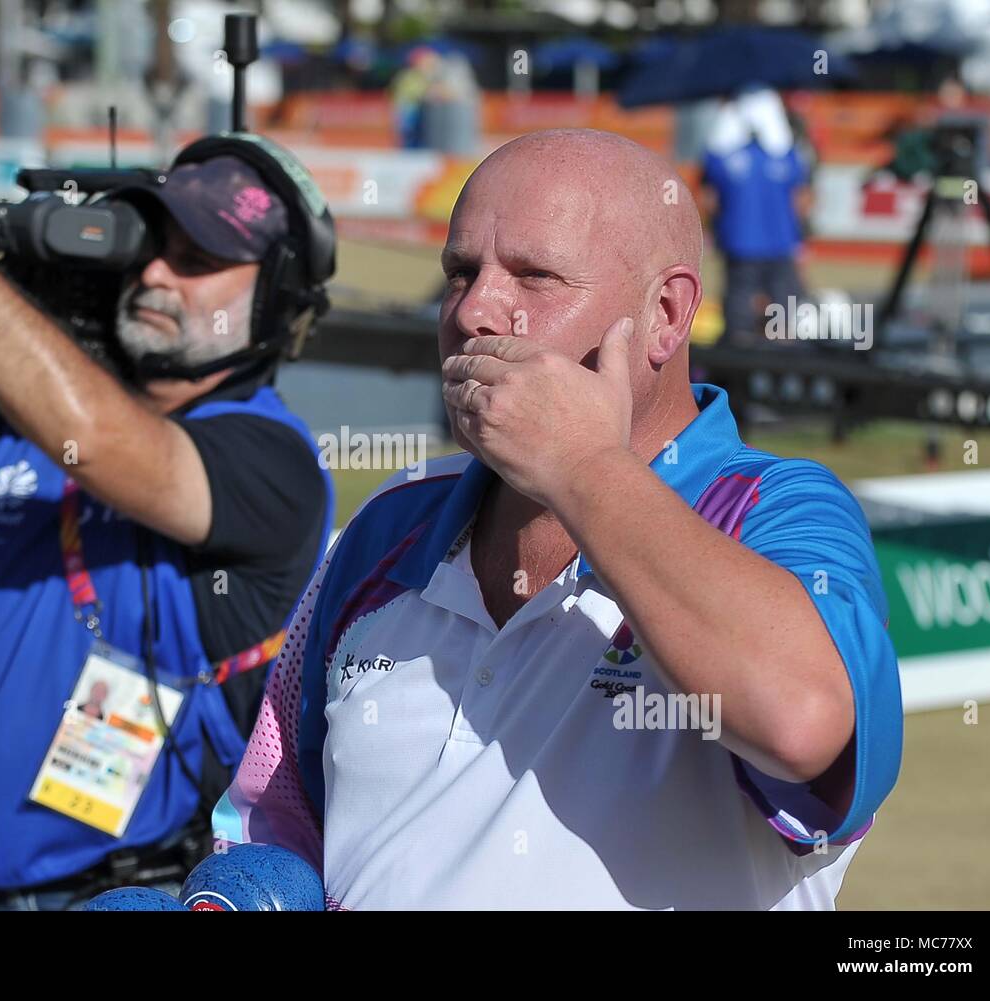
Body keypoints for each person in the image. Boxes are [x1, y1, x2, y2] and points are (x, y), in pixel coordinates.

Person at [213, 128, 902, 910]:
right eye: (460, 271)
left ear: (667, 315)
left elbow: (802, 720)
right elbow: (275, 818)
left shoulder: (772, 507)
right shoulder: (393, 520)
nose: (475, 310)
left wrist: (581, 467)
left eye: (534, 277)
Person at [0, 141, 335, 909]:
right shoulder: (21, 431)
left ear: (275, 296)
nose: (154, 275)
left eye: (196, 258)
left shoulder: (270, 455)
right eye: (152, 250)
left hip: (113, 895)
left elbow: (107, 444)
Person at [702, 87, 811, 345]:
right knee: (784, 309)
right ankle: (784, 354)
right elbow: (801, 199)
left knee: (739, 302)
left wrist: (713, 229)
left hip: (739, 241)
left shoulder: (721, 157)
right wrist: (802, 235)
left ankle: (737, 352)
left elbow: (709, 199)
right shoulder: (787, 156)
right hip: (780, 242)